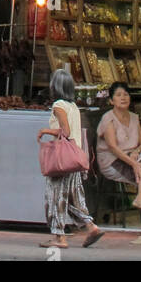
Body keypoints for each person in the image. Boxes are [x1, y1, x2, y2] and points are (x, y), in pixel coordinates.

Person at [37, 68, 102, 250]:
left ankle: (59, 237)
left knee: (55, 197)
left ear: (54, 86)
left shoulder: (58, 106)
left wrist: (45, 131)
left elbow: (64, 131)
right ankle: (90, 226)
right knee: (73, 198)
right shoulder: (73, 106)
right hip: (74, 158)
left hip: (61, 159)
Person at [96, 81, 141, 235]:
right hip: (112, 161)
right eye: (119, 95)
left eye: (126, 94)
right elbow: (113, 147)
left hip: (131, 158)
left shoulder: (134, 117)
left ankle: (140, 199)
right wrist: (134, 163)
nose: (123, 98)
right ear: (111, 100)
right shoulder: (108, 119)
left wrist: (136, 152)